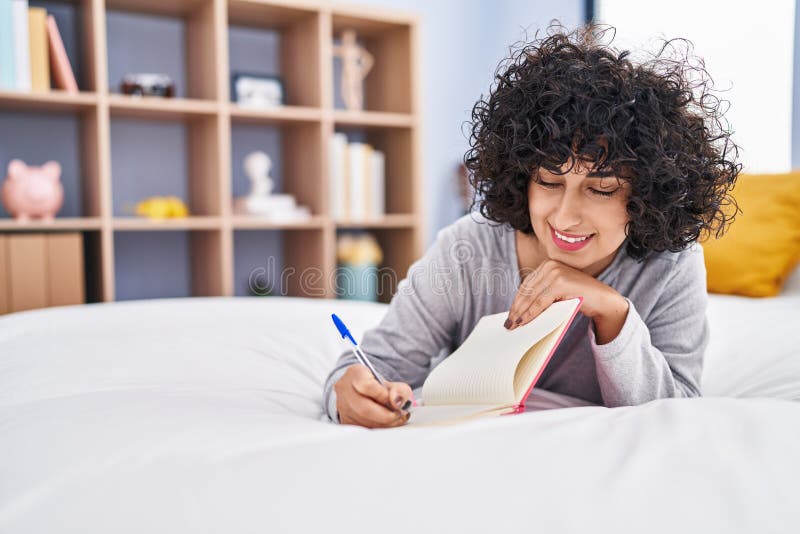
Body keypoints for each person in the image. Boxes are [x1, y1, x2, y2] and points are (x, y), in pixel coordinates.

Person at [322, 22, 741, 428]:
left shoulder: (671, 266)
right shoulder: (470, 247)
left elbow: (679, 410)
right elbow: (372, 366)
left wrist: (611, 312)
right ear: (523, 176)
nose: (563, 216)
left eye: (601, 189)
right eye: (548, 181)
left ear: (648, 194)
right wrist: (349, 392)